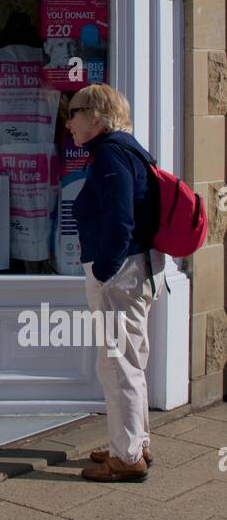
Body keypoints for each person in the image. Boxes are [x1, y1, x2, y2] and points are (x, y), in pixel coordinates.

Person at [66, 84, 165, 483]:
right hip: (138, 268)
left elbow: (121, 219)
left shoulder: (110, 153)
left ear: (96, 114)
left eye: (73, 112)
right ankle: (134, 442)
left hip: (119, 273)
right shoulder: (127, 148)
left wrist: (104, 271)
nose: (68, 122)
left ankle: (126, 457)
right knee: (131, 361)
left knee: (117, 364)